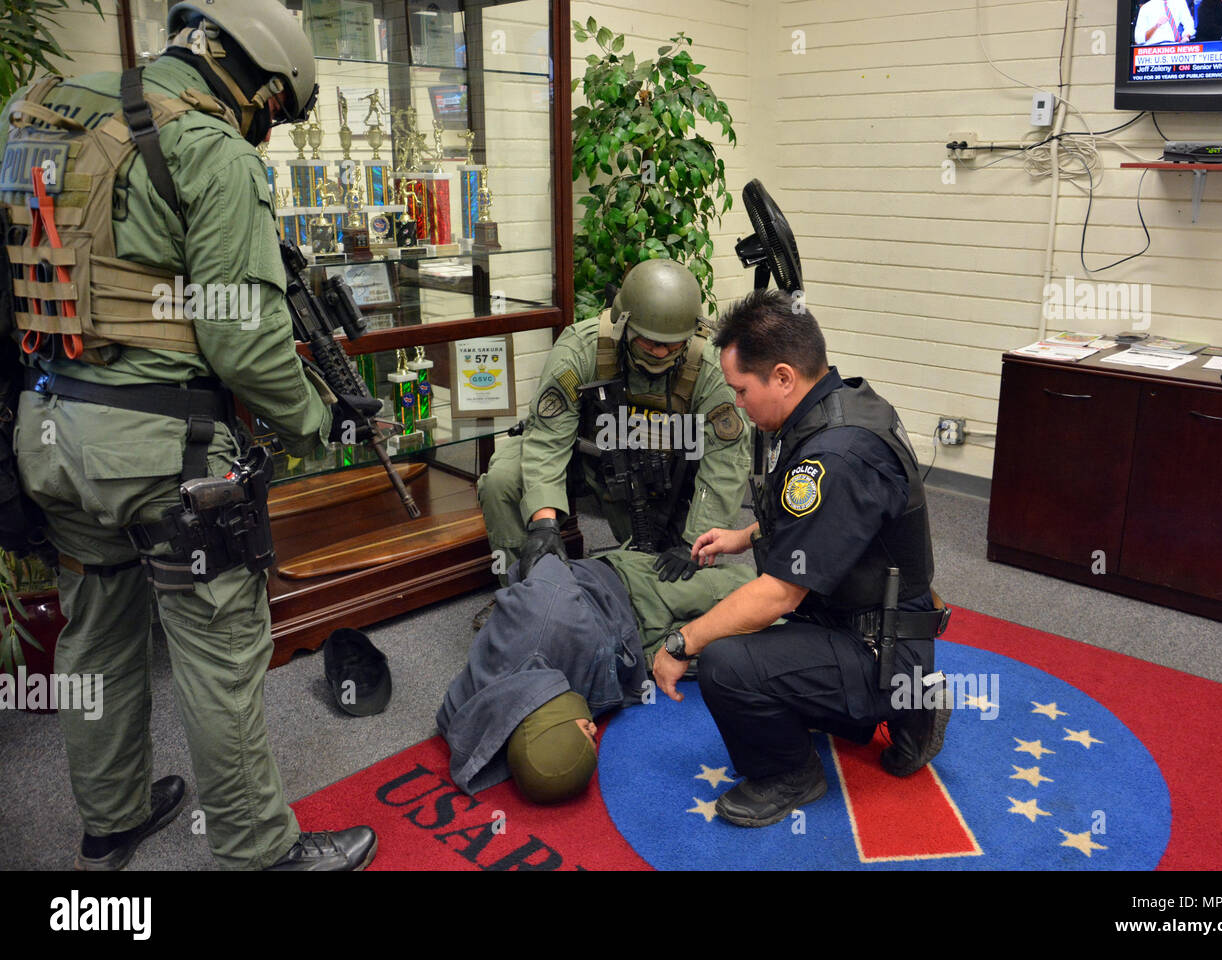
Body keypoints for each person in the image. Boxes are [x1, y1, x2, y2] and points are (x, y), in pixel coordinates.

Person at [0, 0, 375, 870]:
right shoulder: (213, 153)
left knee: (95, 627)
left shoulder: (42, 114)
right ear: (253, 81)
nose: (269, 131)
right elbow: (245, 343)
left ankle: (114, 815)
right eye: (276, 111)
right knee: (219, 644)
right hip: (160, 450)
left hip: (49, 430)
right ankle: (254, 848)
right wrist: (316, 426)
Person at [650, 290, 951, 829]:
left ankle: (791, 774)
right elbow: (840, 520)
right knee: (753, 634)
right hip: (878, 618)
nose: (738, 405)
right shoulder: (847, 404)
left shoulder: (834, 454)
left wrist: (683, 642)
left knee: (725, 662)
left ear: (784, 377)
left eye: (743, 390)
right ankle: (911, 702)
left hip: (878, 644)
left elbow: (779, 593)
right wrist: (744, 535)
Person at [476, 258, 751, 590]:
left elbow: (726, 459)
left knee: (673, 578)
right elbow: (548, 438)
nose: (661, 352)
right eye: (649, 341)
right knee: (503, 480)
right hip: (586, 459)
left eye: (671, 343)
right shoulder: (581, 348)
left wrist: (694, 541)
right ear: (625, 323)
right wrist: (544, 523)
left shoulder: (709, 367)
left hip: (670, 477)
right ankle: (527, 595)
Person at [438, 551, 754, 800]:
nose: (594, 727)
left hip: (629, 588)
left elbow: (542, 564)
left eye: (587, 734)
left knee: (769, 595)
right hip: (636, 654)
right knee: (743, 649)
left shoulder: (546, 618)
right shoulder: (503, 719)